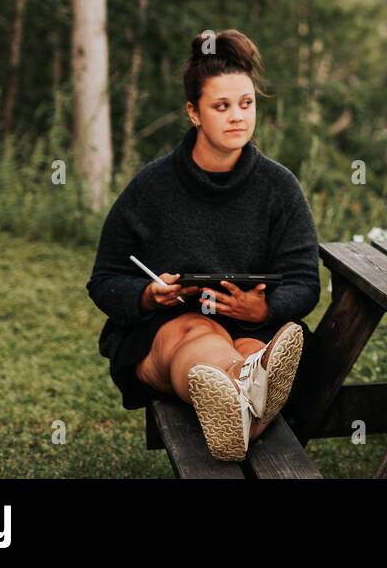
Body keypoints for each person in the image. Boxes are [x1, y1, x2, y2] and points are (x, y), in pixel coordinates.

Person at [86, 29, 321, 461]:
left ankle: (238, 406)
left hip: (253, 326)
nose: (237, 117)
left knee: (256, 348)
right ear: (193, 113)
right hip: (167, 329)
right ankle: (240, 387)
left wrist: (265, 309)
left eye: (246, 104)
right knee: (200, 333)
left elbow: (305, 282)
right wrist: (147, 295)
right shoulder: (151, 188)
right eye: (222, 106)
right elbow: (104, 280)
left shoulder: (279, 187)